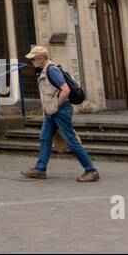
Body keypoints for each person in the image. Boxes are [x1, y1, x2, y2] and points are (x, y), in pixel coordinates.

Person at [20, 45, 100, 182]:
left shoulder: (52, 70)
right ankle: (40, 169)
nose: (32, 61)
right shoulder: (44, 70)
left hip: (60, 110)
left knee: (71, 141)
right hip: (51, 111)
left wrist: (56, 105)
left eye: (33, 59)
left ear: (40, 58)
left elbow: (65, 89)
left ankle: (91, 171)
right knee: (45, 137)